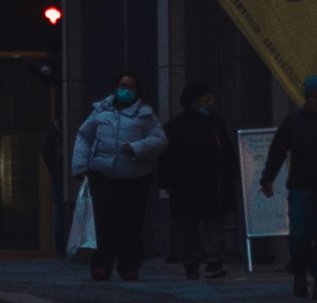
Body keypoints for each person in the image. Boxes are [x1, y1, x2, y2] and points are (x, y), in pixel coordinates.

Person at [73, 73, 168, 279]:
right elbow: (84, 136)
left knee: (131, 223)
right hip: (102, 173)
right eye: (122, 85)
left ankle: (129, 265)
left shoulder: (145, 114)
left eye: (130, 86)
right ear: (115, 87)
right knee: (102, 222)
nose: (125, 90)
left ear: (137, 90)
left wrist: (136, 148)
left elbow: (159, 139)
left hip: (135, 177)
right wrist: (80, 165)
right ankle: (101, 264)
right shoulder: (101, 110)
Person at [259, 77, 317, 299]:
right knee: (300, 234)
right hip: (301, 187)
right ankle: (299, 269)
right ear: (307, 98)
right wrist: (268, 177)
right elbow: (278, 151)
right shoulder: (293, 122)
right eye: (315, 97)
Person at [160, 74, 243, 280]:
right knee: (188, 226)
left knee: (213, 224)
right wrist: (167, 181)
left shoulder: (214, 124)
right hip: (186, 185)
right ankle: (191, 262)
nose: (210, 103)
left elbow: (226, 151)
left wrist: (230, 173)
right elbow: (166, 157)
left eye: (211, 99)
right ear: (194, 102)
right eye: (206, 100)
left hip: (213, 184)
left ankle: (214, 261)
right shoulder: (176, 126)